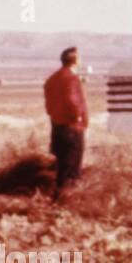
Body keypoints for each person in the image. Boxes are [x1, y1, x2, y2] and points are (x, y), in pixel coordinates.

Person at [44, 46, 88, 195]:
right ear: (75, 61)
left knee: (62, 164)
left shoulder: (53, 78)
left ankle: (59, 194)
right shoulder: (71, 78)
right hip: (72, 126)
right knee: (72, 164)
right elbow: (71, 99)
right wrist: (77, 115)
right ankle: (69, 197)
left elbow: (49, 102)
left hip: (57, 125)